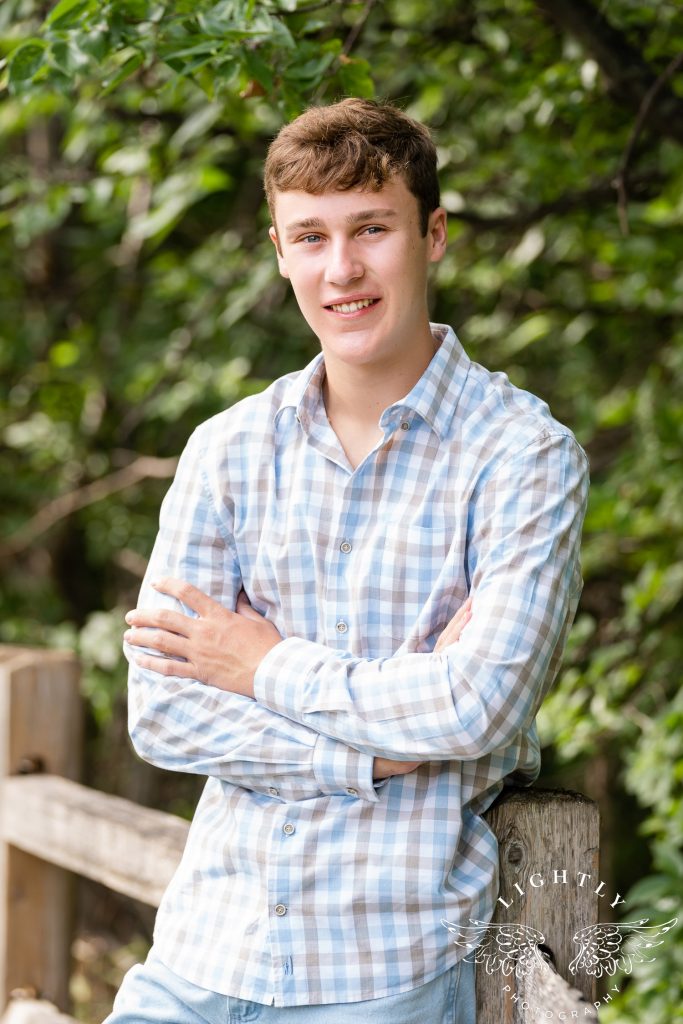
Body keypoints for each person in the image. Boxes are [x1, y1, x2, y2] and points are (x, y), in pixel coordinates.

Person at [109, 97, 589, 1024]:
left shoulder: (522, 456)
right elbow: (162, 711)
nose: (342, 270)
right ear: (280, 251)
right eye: (311, 237)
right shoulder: (227, 449)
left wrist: (260, 667)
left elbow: (475, 703)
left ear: (434, 233)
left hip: (380, 971)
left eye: (371, 228)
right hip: (200, 950)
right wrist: (375, 753)